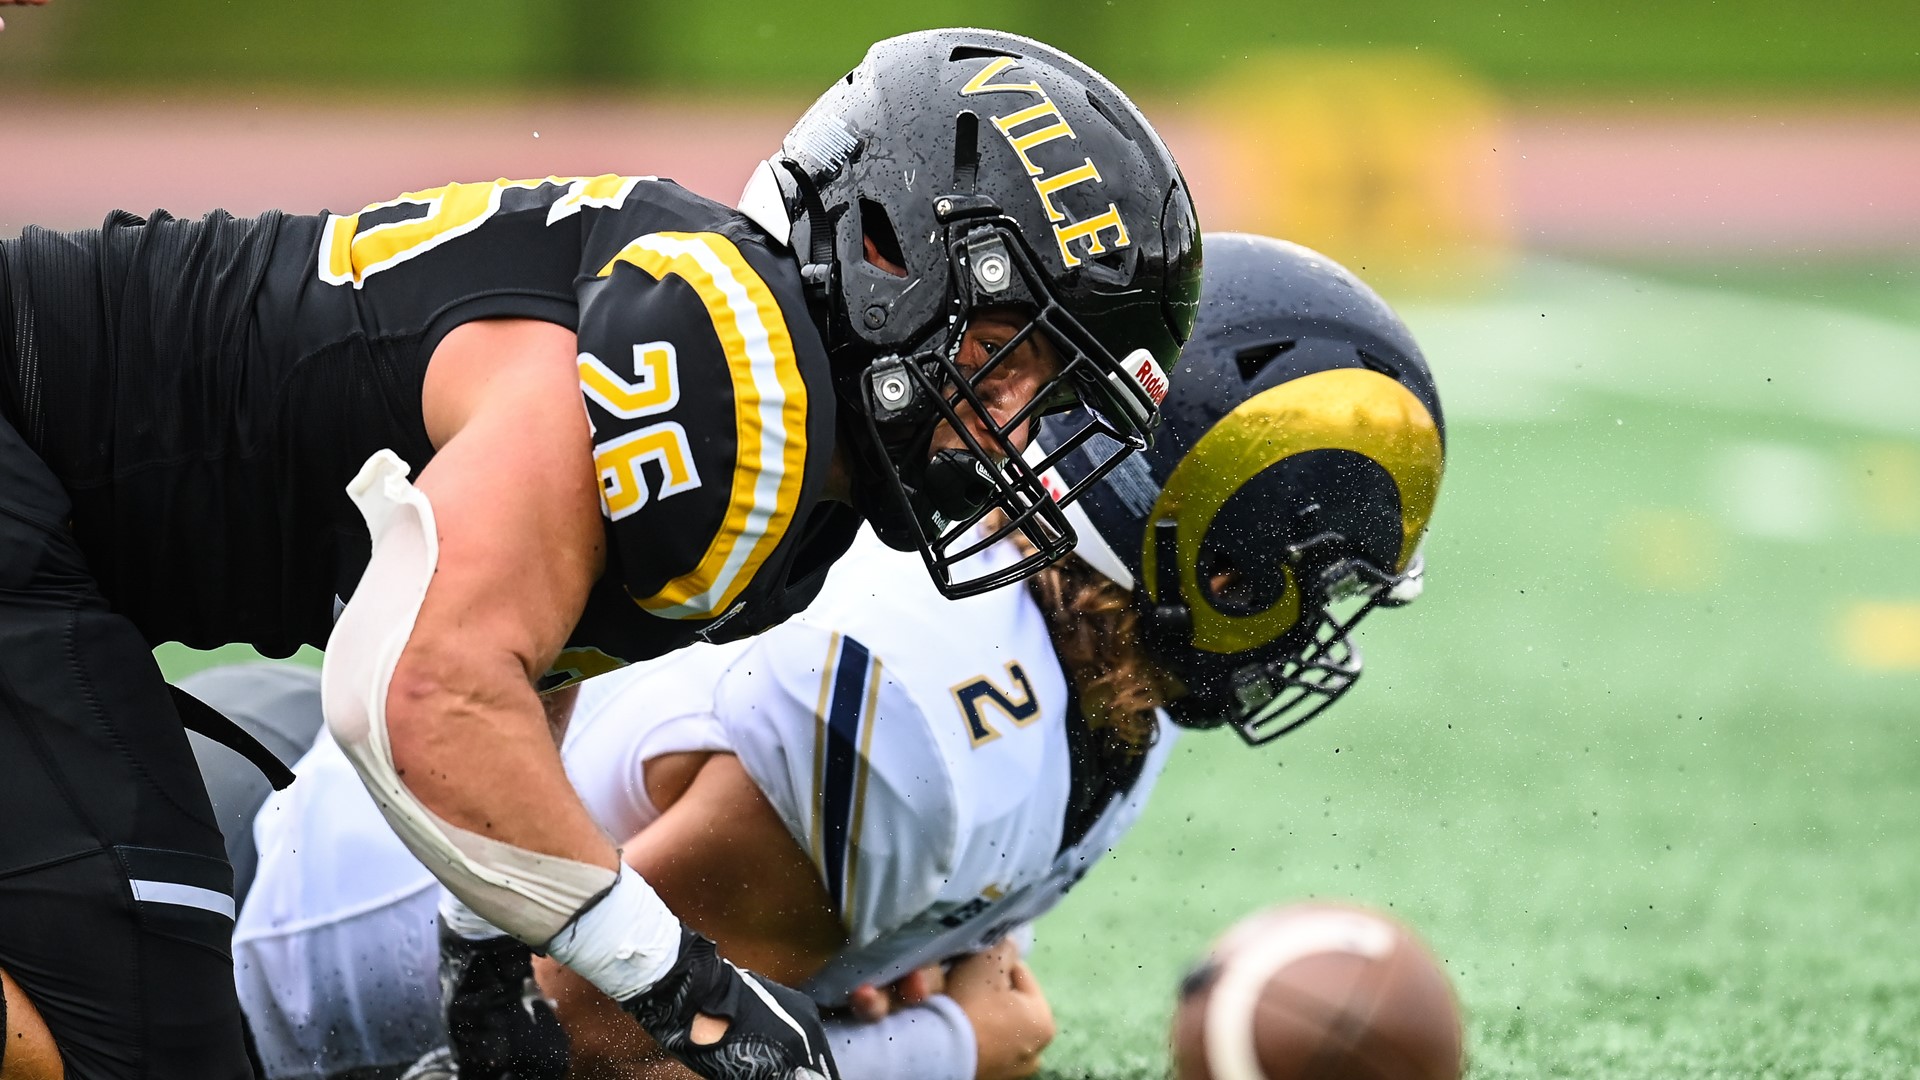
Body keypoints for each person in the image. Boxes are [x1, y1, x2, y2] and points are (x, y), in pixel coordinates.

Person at [0, 27, 1202, 1080]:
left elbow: (530, 646)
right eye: (1009, 354)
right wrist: (682, 985)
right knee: (141, 1048)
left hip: (60, 515)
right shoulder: (735, 379)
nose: (1016, 423)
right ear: (891, 258)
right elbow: (419, 687)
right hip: (27, 458)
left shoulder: (785, 440)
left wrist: (486, 947)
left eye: (1052, 388)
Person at [197, 234, 1445, 1080]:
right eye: (1296, 579)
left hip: (333, 784)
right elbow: (561, 1047)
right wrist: (946, 1050)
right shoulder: (927, 717)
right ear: (1198, 547)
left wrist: (845, 954)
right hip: (250, 915)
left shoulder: (1101, 663)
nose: (1308, 623)